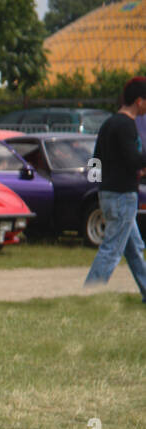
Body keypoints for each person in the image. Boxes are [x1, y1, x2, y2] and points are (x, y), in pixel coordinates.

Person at [85, 76, 146, 298]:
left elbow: (95, 159)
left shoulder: (109, 123)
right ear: (139, 101)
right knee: (111, 249)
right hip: (123, 196)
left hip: (108, 193)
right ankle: (89, 294)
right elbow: (133, 161)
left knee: (134, 249)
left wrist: (98, 185)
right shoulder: (126, 125)